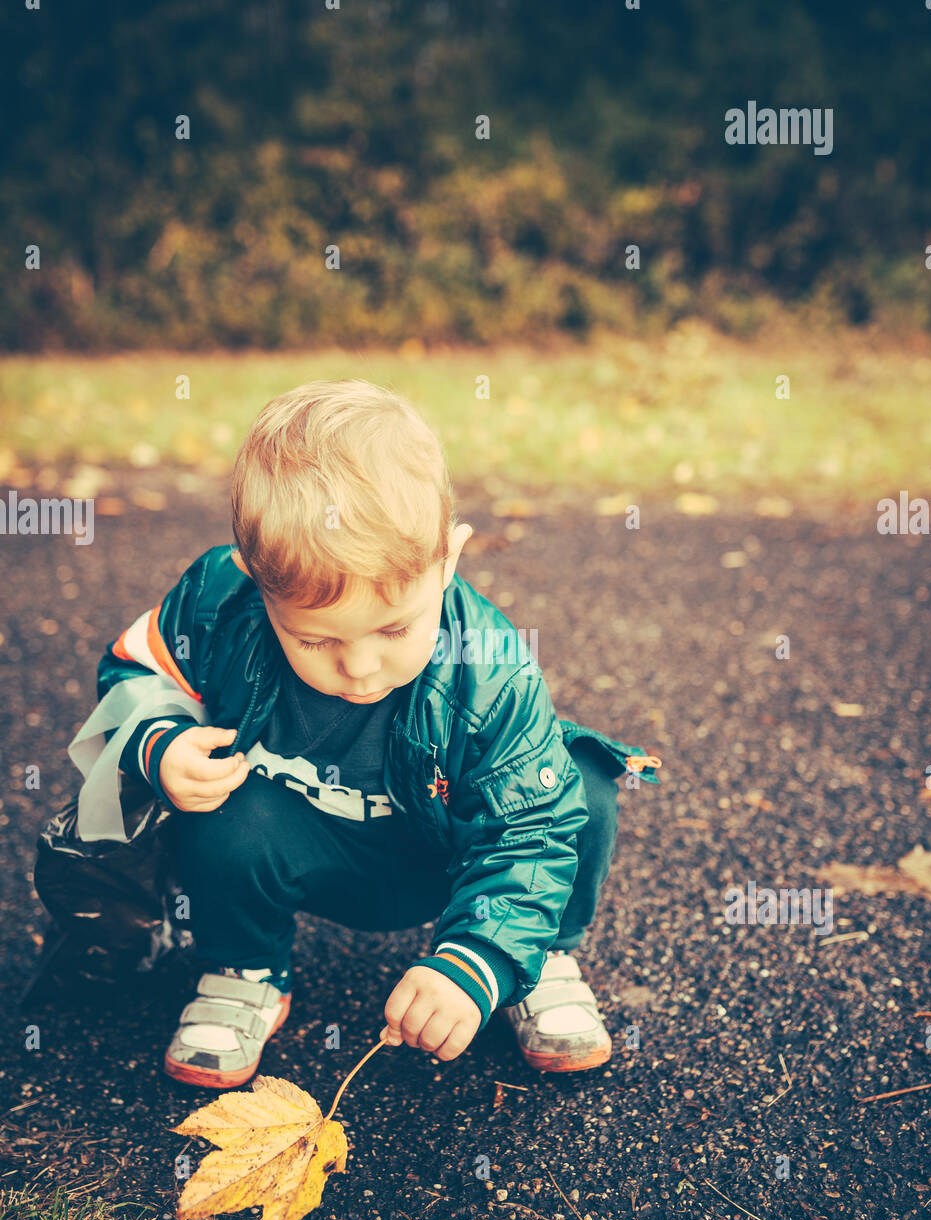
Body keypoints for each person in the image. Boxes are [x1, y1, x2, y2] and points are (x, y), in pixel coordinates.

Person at [66, 379, 659, 1087]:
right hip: (309, 845)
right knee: (217, 799)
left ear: (448, 560)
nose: (359, 666)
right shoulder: (220, 602)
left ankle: (534, 957)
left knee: (579, 786)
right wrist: (158, 742)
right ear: (258, 583)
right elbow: (139, 666)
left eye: (395, 627)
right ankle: (244, 965)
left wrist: (476, 963)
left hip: (448, 853)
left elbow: (526, 830)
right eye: (314, 639)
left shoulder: (490, 665)